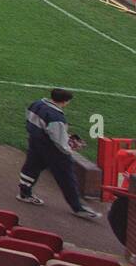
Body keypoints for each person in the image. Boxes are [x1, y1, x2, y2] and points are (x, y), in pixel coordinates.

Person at [17, 89, 101, 220]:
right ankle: (78, 207)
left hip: (35, 142)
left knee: (30, 168)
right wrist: (69, 149)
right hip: (53, 150)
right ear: (65, 101)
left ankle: (24, 193)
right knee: (67, 178)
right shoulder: (56, 116)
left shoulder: (37, 104)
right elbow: (59, 140)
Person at [108, 135, 136, 262]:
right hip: (127, 197)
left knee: (131, 226)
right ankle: (134, 249)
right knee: (115, 217)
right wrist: (133, 153)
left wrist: (134, 181)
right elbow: (119, 155)